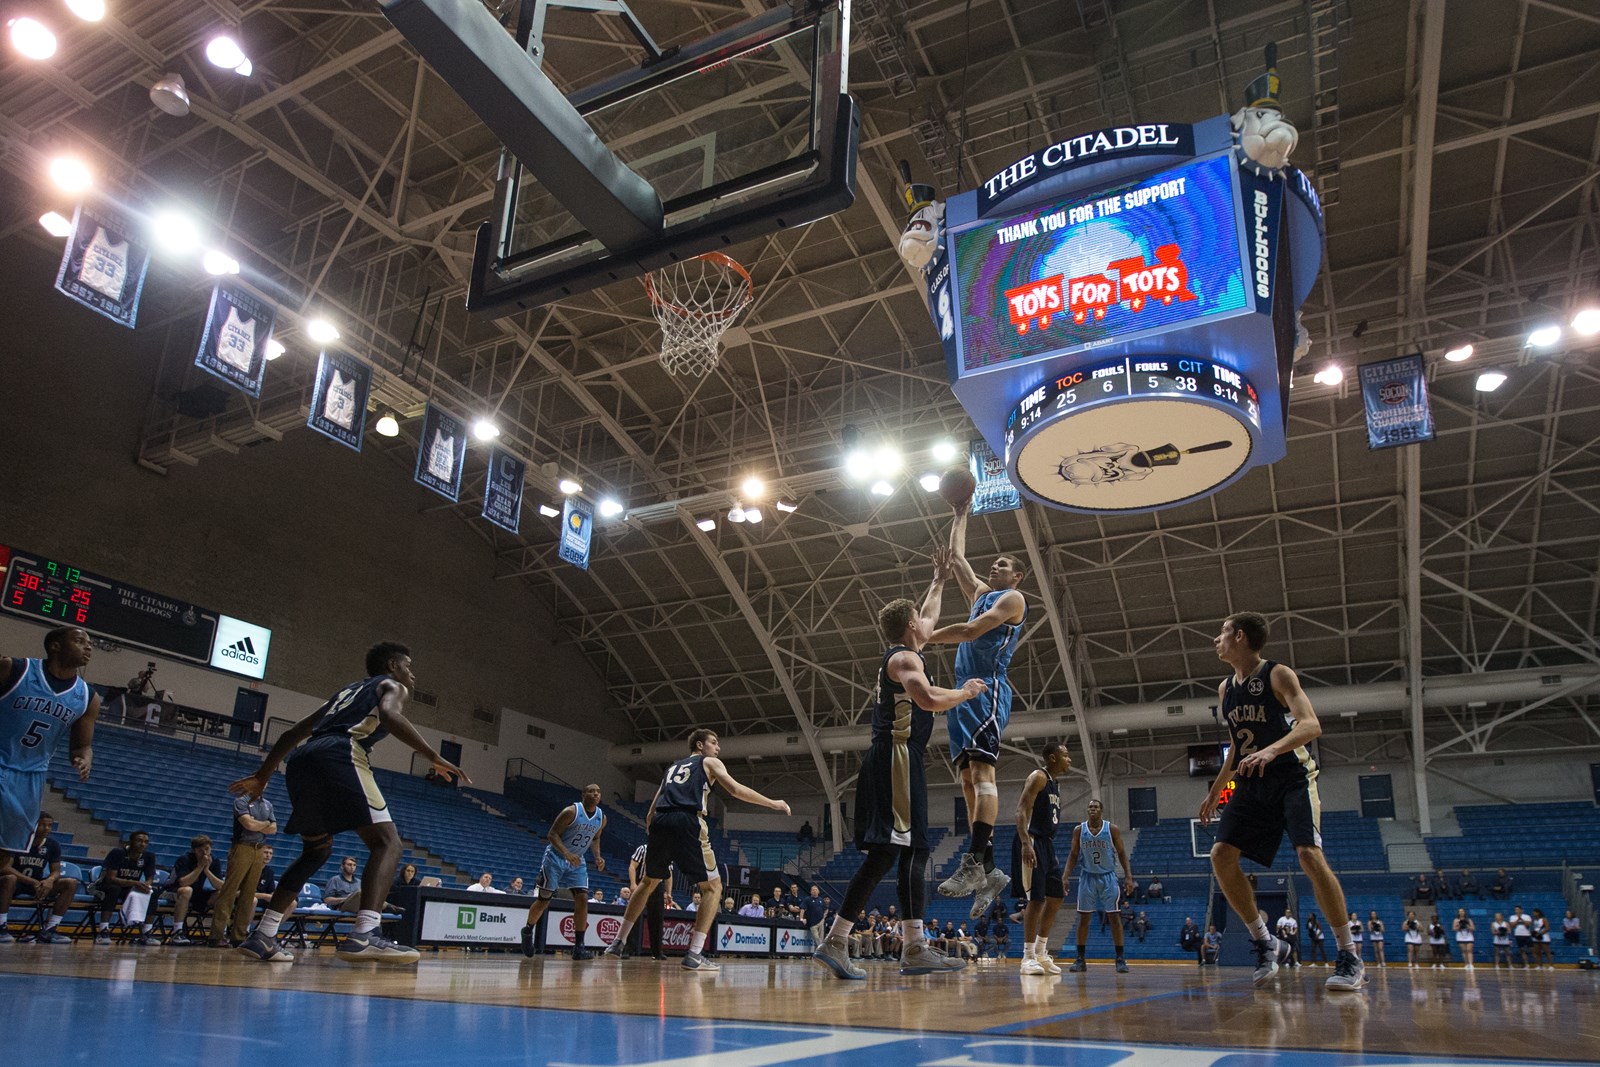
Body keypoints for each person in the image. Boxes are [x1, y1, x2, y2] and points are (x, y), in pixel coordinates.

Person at [228, 641, 467, 964]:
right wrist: (433, 756)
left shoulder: (346, 693)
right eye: (408, 666)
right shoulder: (391, 685)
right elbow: (389, 715)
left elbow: (292, 734)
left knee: (317, 850)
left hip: (303, 759)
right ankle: (365, 933)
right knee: (388, 844)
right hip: (341, 753)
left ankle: (264, 934)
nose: (412, 674)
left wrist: (262, 776)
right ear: (393, 666)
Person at [811, 555, 984, 980]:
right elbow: (926, 700)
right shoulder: (906, 661)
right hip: (896, 757)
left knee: (893, 852)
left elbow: (928, 613)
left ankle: (845, 941)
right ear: (911, 629)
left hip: (895, 759)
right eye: (919, 622)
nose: (928, 624)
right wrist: (964, 693)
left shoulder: (907, 651)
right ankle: (911, 947)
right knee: (910, 849)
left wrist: (938, 580)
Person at [1199, 612, 1365, 991]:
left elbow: (1310, 725)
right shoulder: (1226, 689)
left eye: (1222, 633)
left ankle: (1349, 954)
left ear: (1239, 637)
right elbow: (1238, 748)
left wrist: (1272, 751)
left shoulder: (1277, 674)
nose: (1216, 640)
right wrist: (1214, 791)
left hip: (1291, 777)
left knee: (1309, 855)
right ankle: (1265, 940)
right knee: (1221, 855)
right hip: (1251, 782)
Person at [603, 729, 790, 972]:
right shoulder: (709, 762)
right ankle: (694, 953)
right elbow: (734, 790)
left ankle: (618, 942)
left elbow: (651, 809)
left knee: (648, 882)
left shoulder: (672, 768)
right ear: (700, 745)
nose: (718, 748)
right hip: (687, 820)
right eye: (714, 742)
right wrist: (773, 803)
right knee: (713, 887)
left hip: (661, 820)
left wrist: (654, 829)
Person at [928, 507, 1027, 922]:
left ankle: (973, 861)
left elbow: (971, 631)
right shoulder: (980, 592)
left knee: (983, 774)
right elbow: (958, 556)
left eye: (1004, 563)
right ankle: (987, 869)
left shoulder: (1012, 599)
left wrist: (924, 637)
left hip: (987, 688)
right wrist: (958, 513)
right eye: (995, 562)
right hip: (963, 692)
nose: (995, 564)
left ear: (1017, 576)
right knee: (967, 778)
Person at [1, 629, 99, 896]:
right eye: (80, 641)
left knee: (5, 856)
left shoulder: (87, 696)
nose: (88, 648)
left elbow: (81, 745)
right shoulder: (14, 668)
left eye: (90, 644)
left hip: (31, 776)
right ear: (55, 646)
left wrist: (84, 759)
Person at [518, 783, 605, 960]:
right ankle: (527, 931)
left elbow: (595, 838)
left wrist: (597, 857)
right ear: (583, 795)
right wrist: (567, 853)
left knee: (582, 899)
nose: (595, 794)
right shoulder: (571, 812)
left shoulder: (602, 817)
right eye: (591, 791)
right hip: (556, 857)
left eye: (598, 791)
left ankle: (579, 946)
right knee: (544, 900)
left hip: (577, 861)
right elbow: (552, 834)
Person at [1013, 742, 1071, 975]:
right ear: (1052, 758)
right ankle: (1027, 957)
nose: (1069, 759)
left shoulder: (1055, 784)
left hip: (1047, 844)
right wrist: (1026, 842)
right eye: (1065, 755)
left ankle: (1040, 951)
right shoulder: (1038, 777)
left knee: (1056, 896)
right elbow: (1021, 811)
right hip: (1032, 841)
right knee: (1036, 899)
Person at [1063, 797, 1134, 973]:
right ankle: (1080, 959)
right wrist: (1065, 876)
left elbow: (1123, 853)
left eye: (1095, 807)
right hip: (1087, 877)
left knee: (1114, 917)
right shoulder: (1079, 830)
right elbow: (1073, 855)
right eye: (1090, 807)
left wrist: (1128, 877)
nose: (1092, 809)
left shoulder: (1112, 829)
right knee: (1084, 918)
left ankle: (1120, 958)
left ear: (1101, 811)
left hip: (1108, 876)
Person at [208, 788, 277, 948]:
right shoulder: (241, 800)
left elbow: (273, 829)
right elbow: (247, 824)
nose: (264, 785)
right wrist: (265, 824)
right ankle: (217, 935)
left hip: (259, 849)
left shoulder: (268, 804)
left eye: (266, 783)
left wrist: (258, 824)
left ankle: (239, 936)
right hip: (242, 846)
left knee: (249, 894)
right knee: (229, 891)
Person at [0, 812, 78, 944]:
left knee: (70, 883)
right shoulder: (18, 841)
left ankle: (50, 929)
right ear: (33, 825)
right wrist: (34, 881)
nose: (47, 828)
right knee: (10, 878)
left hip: (36, 886)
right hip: (14, 884)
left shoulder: (53, 845)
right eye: (42, 825)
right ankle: (1, 926)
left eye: (49, 825)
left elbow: (56, 871)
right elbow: (5, 868)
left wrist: (49, 880)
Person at [94, 829, 157, 944]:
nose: (143, 844)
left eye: (145, 842)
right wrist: (134, 883)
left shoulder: (149, 856)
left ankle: (146, 933)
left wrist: (147, 885)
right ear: (131, 841)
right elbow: (110, 879)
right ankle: (103, 930)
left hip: (128, 888)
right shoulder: (118, 853)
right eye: (139, 841)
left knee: (152, 892)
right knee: (114, 889)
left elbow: (150, 877)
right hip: (105, 886)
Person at [165, 835, 224, 944]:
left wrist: (207, 871)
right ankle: (177, 931)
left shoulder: (214, 860)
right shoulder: (185, 859)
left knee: (221, 893)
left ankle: (219, 933)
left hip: (197, 892)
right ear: (193, 850)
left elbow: (221, 886)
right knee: (187, 890)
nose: (205, 853)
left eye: (207, 849)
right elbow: (183, 883)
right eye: (200, 850)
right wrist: (200, 867)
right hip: (174, 891)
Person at [621, 842, 671, 959]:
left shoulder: (667, 852)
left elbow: (669, 874)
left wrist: (668, 893)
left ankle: (657, 952)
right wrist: (633, 883)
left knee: (657, 919)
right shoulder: (643, 849)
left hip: (658, 886)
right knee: (634, 917)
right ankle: (627, 948)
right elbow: (632, 866)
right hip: (642, 884)